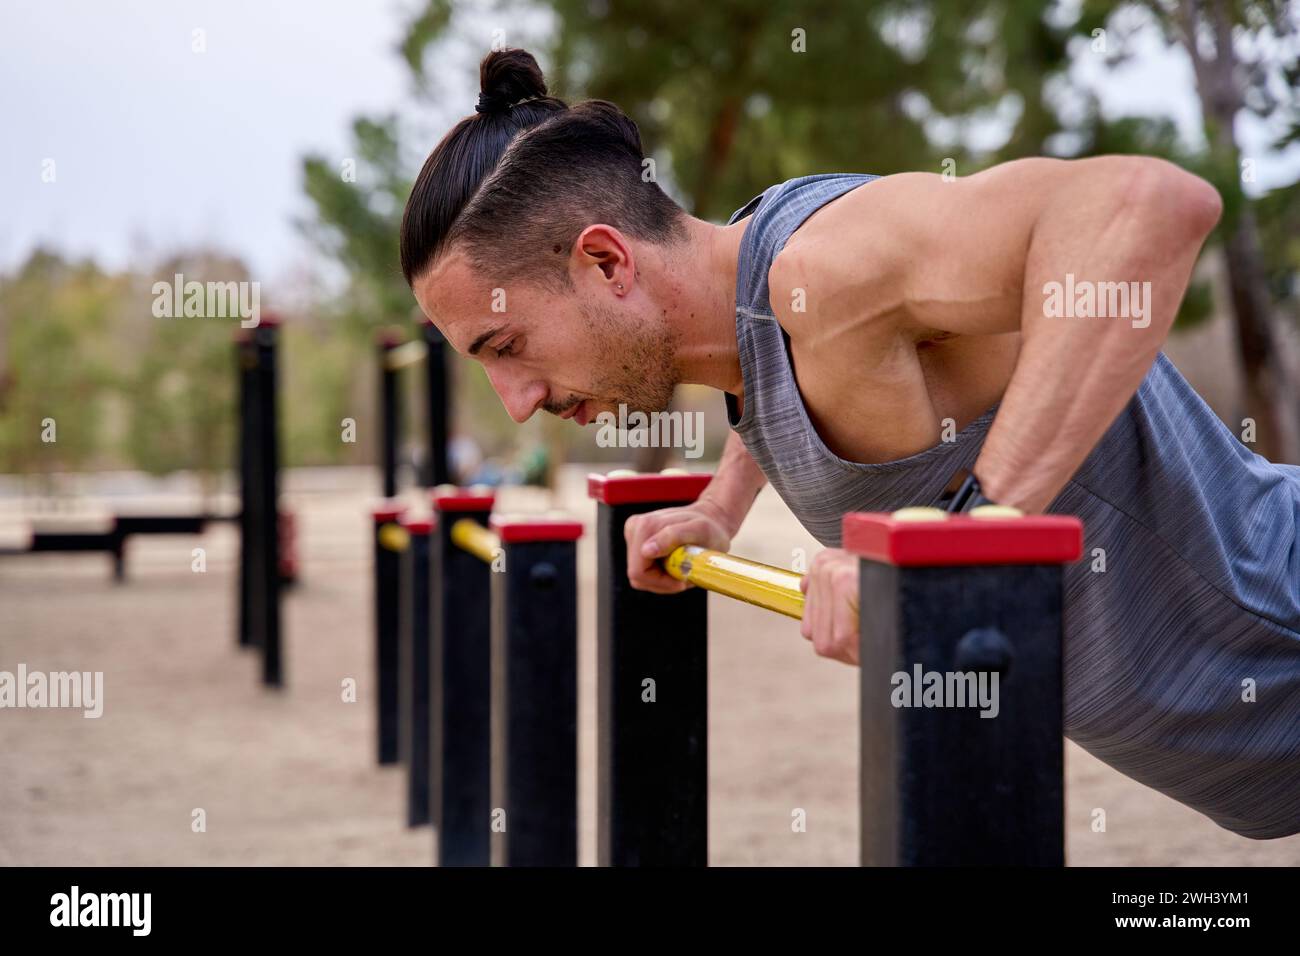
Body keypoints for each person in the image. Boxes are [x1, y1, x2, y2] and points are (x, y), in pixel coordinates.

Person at [399, 49, 1300, 839]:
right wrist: (719, 509)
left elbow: (1146, 207)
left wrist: (970, 535)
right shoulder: (747, 312)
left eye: (504, 347)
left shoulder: (822, 270)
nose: (513, 405)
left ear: (606, 262)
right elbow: (780, 374)